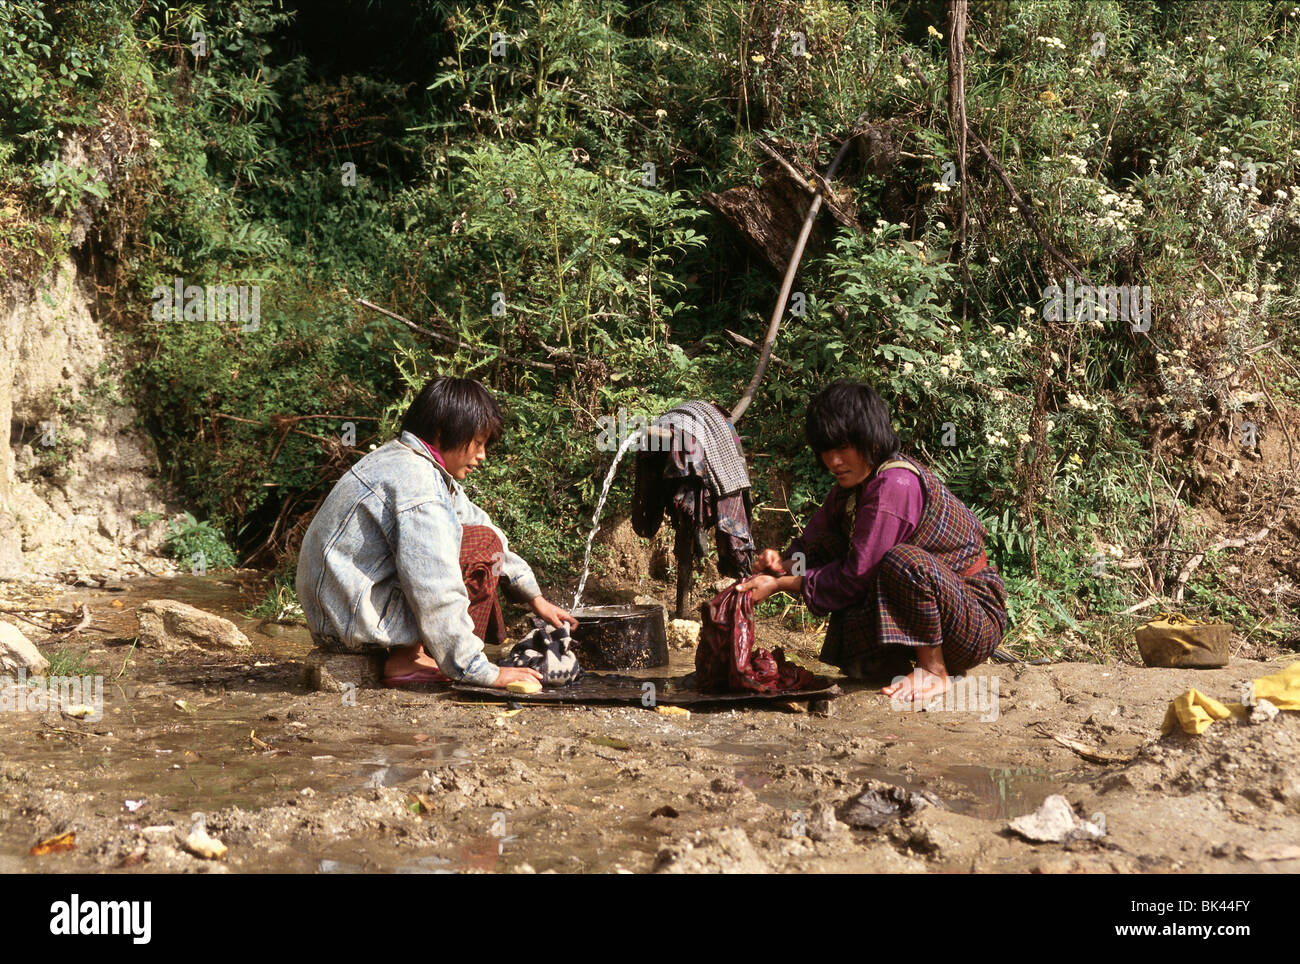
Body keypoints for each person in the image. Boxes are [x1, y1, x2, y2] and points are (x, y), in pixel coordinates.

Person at [296, 375, 576, 689]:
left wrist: (533, 596)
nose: (482, 455)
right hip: (348, 621)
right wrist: (478, 670)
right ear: (444, 431)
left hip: (337, 614)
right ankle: (408, 659)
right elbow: (435, 583)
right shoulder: (418, 482)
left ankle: (413, 654)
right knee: (482, 548)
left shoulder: (407, 460)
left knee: (483, 539)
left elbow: (480, 523)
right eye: (478, 443)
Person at [738, 380, 1007, 702]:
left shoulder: (895, 484)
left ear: (870, 440)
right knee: (831, 546)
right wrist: (780, 565)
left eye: (842, 448)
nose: (833, 461)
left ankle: (934, 671)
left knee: (903, 561)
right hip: (931, 614)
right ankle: (899, 662)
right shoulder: (850, 488)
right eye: (826, 450)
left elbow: (855, 578)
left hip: (970, 619)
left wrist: (781, 585)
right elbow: (814, 543)